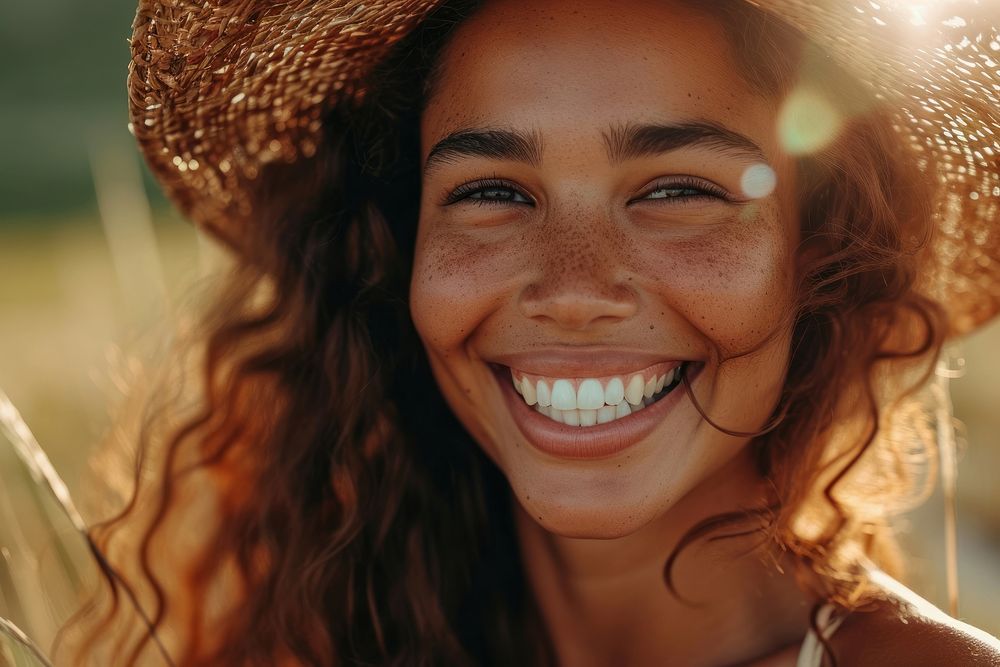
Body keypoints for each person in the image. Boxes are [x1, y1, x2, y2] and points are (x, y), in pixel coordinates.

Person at [63, 0, 1000, 665]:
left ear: (820, 257)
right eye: (493, 193)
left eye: (678, 189)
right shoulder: (326, 635)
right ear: (397, 252)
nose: (573, 291)